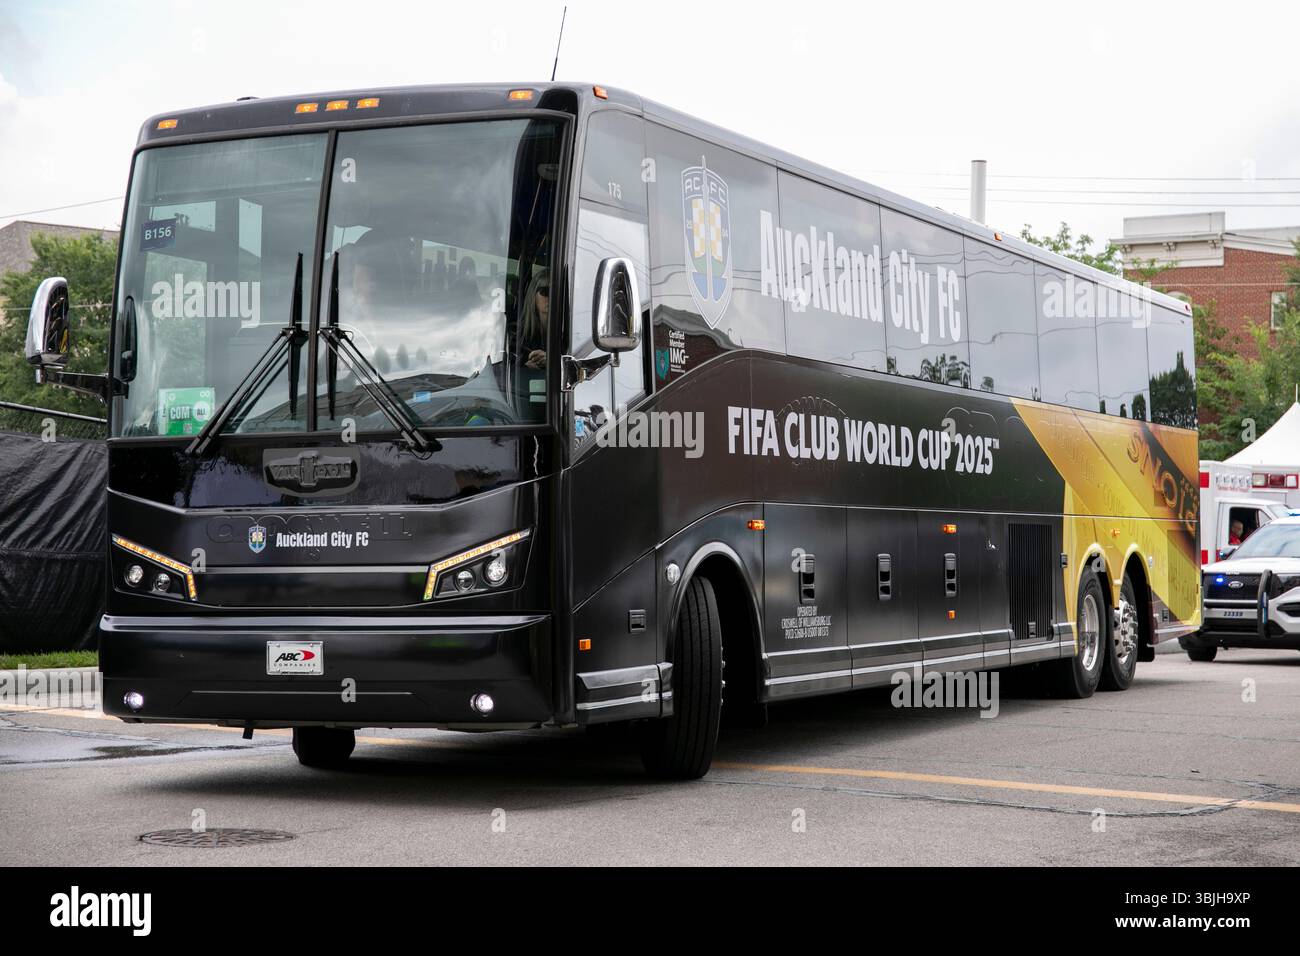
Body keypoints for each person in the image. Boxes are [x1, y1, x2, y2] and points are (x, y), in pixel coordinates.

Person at [520, 271, 550, 370]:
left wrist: (552, 361)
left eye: (557, 291)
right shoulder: (519, 335)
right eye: (545, 292)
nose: (552, 297)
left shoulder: (570, 332)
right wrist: (526, 368)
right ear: (533, 296)